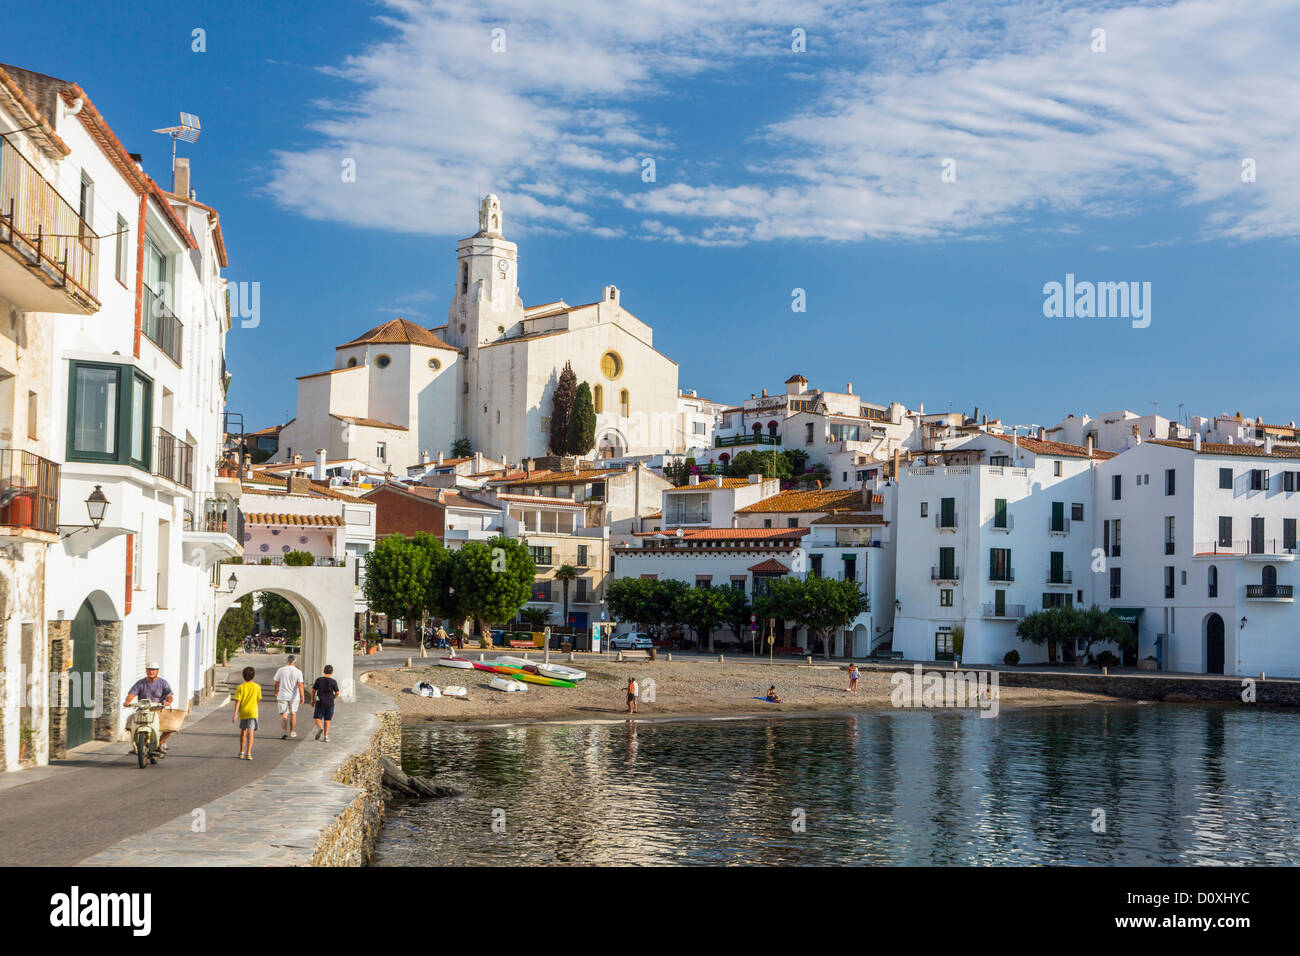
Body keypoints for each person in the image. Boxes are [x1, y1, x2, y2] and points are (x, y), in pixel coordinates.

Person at [123, 662, 177, 752]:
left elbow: (169, 696)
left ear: (157, 671)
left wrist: (168, 701)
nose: (151, 672)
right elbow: (131, 694)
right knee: (129, 722)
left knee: (171, 726)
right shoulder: (140, 683)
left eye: (153, 670)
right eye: (149, 670)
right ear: (146, 671)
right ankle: (137, 743)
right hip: (142, 709)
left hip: (159, 709)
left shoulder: (163, 683)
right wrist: (127, 701)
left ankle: (160, 743)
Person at [232, 666, 261, 759]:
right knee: (251, 732)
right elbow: (258, 700)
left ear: (243, 676)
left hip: (243, 712)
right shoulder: (257, 687)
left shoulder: (240, 687)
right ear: (253, 676)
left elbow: (238, 701)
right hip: (253, 712)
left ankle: (241, 751)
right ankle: (249, 753)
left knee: (243, 731)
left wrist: (235, 714)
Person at [273, 654, 305, 739]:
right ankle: (292, 731)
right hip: (294, 696)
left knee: (284, 714)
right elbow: (300, 685)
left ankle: (284, 731)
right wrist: (302, 697)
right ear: (295, 662)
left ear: (287, 661)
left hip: (282, 695)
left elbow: (276, 682)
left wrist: (275, 691)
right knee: (293, 714)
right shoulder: (298, 672)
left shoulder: (281, 670)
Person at [310, 665, 340, 742]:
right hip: (330, 702)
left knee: (317, 717)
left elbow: (313, 691)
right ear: (332, 672)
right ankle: (326, 737)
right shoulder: (333, 681)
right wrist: (333, 697)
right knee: (327, 719)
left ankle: (320, 727)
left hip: (319, 700)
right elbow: (337, 693)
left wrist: (313, 700)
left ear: (324, 671)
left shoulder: (319, 680)